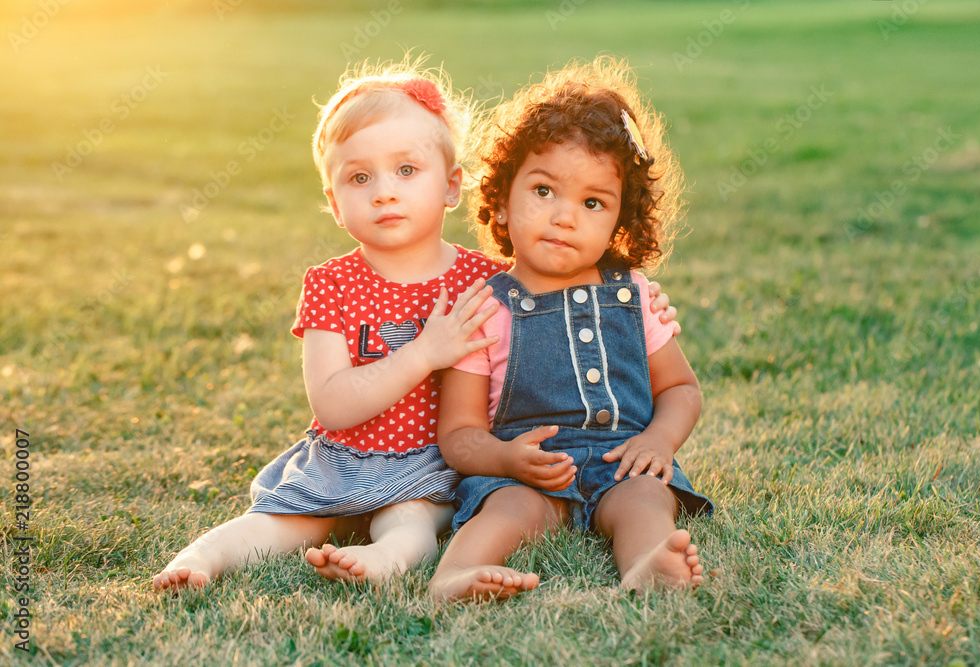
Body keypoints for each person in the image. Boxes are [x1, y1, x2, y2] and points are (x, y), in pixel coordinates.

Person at [153, 59, 679, 592]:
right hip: (344, 458)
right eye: (360, 177)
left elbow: (555, 293)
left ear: (452, 187)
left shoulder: (485, 280)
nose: (383, 191)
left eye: (406, 170)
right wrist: (425, 352)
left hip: (429, 473)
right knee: (277, 523)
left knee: (412, 525)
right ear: (334, 203)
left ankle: (381, 562)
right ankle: (199, 560)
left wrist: (643, 303)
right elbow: (332, 405)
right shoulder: (333, 285)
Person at [429, 57, 714, 602]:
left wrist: (658, 440)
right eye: (543, 191)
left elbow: (681, 388)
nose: (565, 216)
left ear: (618, 223)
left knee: (645, 500)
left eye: (592, 202)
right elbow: (459, 435)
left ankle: (648, 565)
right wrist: (507, 460)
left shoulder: (633, 296)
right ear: (504, 199)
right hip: (525, 473)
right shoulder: (486, 309)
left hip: (620, 462)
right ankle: (455, 575)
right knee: (508, 509)